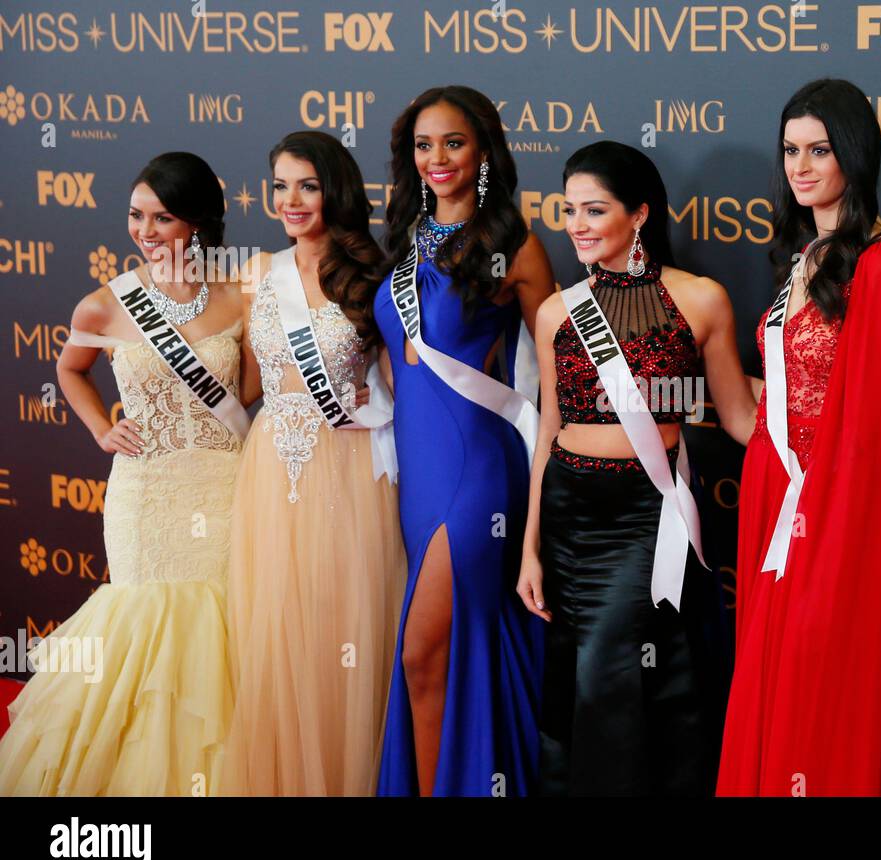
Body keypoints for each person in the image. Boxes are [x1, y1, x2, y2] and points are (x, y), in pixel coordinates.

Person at [0, 153, 245, 795]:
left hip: (226, 489)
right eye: (136, 215)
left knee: (224, 638)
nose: (145, 230)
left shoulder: (239, 297)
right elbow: (68, 370)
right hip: (147, 497)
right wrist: (100, 428)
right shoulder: (104, 305)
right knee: (147, 633)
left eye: (163, 217)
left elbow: (247, 394)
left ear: (198, 223)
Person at [518, 141, 753, 795]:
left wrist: (827, 439)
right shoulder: (555, 311)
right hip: (570, 517)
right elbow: (545, 432)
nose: (578, 224)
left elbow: (738, 418)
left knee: (614, 678)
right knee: (584, 680)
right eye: (570, 210)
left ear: (640, 213)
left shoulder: (701, 299)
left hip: (651, 516)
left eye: (595, 209)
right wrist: (531, 547)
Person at [717, 79, 881, 796]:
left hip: (833, 508)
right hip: (774, 492)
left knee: (820, 677)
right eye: (791, 151)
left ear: (854, 156)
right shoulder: (803, 258)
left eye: (821, 151)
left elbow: (868, 427)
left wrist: (827, 533)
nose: (802, 167)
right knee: (774, 679)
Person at [374, 86, 555, 797]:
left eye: (454, 142)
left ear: (483, 150)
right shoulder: (403, 241)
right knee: (441, 657)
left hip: (478, 476)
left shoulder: (516, 245)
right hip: (417, 475)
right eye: (424, 145)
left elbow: (554, 373)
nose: (437, 158)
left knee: (422, 653)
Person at [221, 131, 404, 796]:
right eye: (280, 186)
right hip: (271, 472)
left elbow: (400, 388)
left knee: (339, 635)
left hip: (349, 469)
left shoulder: (373, 277)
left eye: (307, 185)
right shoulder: (254, 276)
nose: (291, 200)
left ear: (336, 190)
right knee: (272, 637)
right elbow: (243, 386)